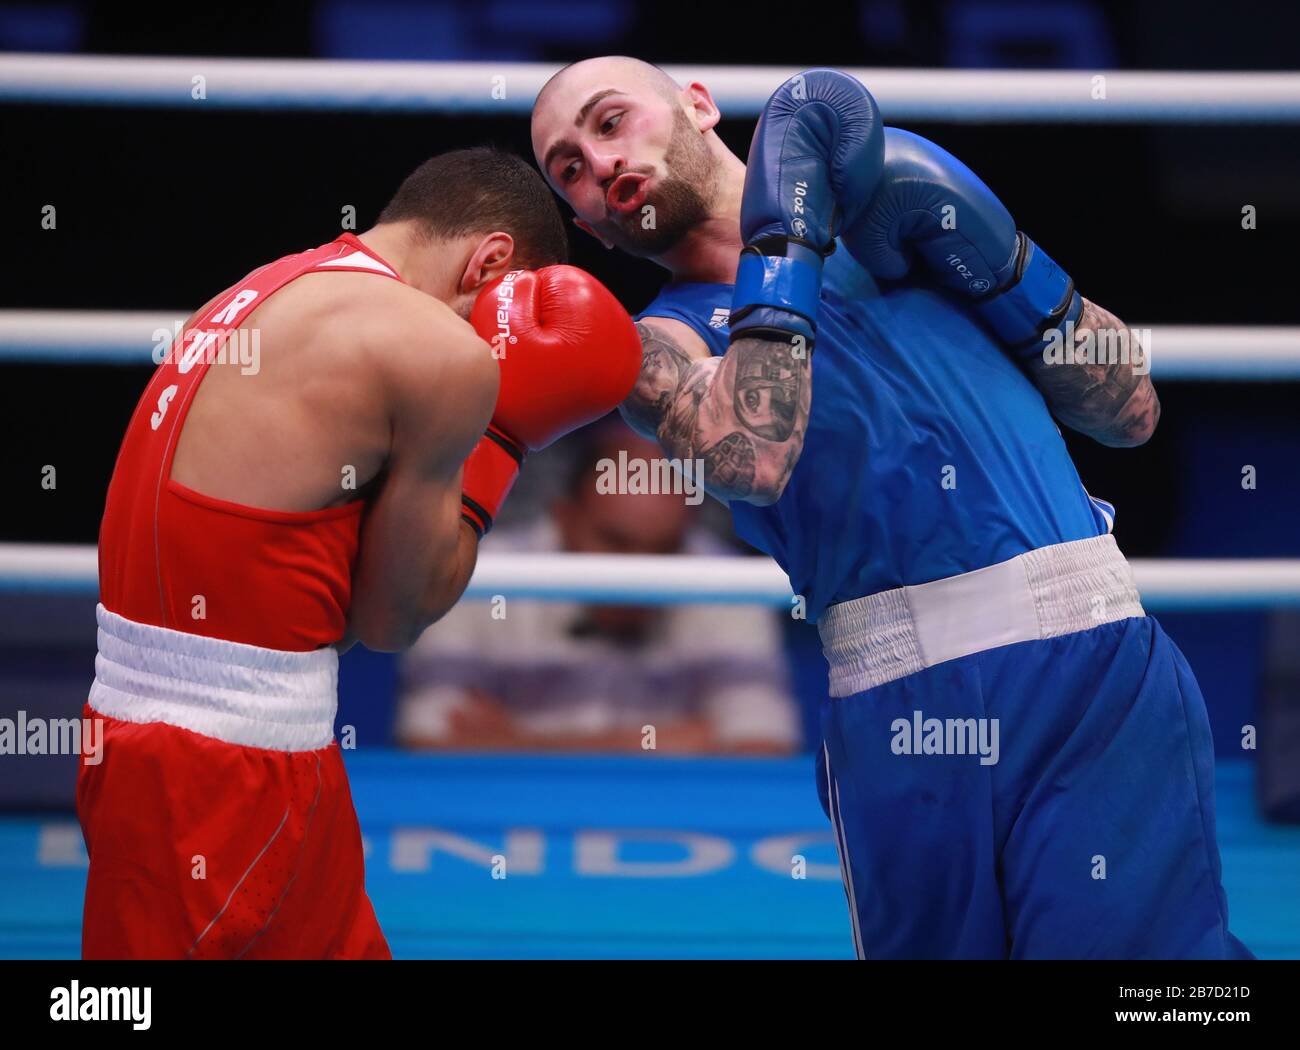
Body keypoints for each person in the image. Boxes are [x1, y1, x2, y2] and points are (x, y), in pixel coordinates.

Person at [530, 58, 1251, 959]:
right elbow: (753, 455)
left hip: (1092, 661)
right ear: (590, 228)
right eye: (568, 169)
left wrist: (1008, 264)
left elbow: (1130, 410)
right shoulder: (655, 350)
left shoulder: (901, 219)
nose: (597, 164)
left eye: (609, 123)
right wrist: (784, 238)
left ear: (698, 105)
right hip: (901, 709)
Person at [77, 147, 642, 959]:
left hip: (167, 735)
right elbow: (393, 617)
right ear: (492, 262)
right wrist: (505, 439)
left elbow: (297, 576)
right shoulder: (438, 355)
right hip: (222, 769)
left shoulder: (261, 287)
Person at [399, 425, 800, 754]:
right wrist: (684, 740)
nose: (639, 575)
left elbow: (762, 746)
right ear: (565, 518)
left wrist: (520, 742)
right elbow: (428, 738)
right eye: (616, 542)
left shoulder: (726, 584)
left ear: (688, 534)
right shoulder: (482, 576)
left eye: (662, 549)